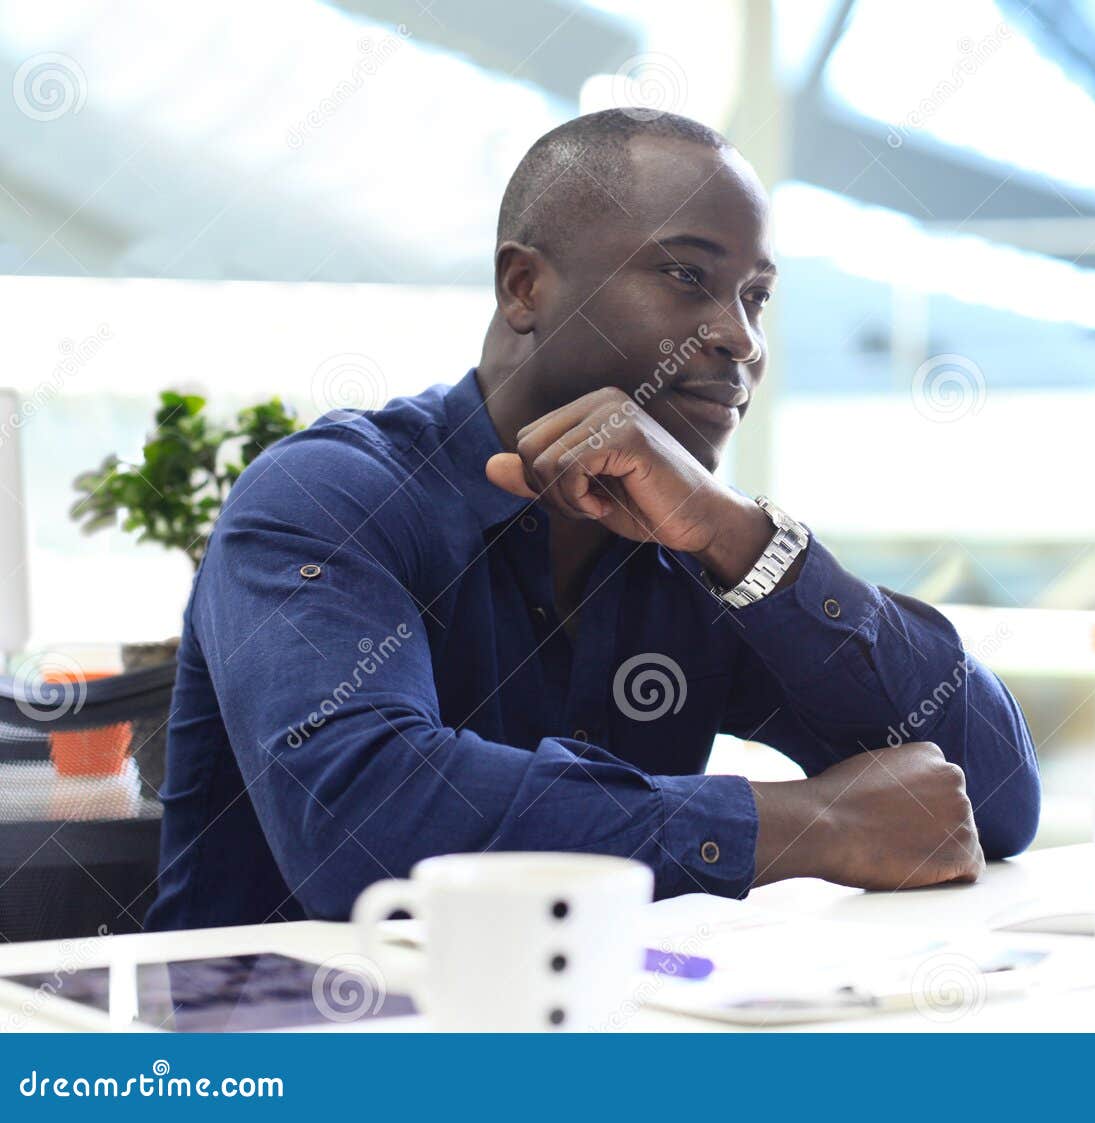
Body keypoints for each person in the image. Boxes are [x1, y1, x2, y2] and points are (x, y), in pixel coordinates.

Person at [146, 109, 1039, 930]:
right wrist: (810, 824)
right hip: (282, 1032)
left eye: (756, 295)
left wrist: (739, 538)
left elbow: (988, 797)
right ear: (524, 286)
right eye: (687, 276)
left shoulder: (693, 543)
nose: (741, 337)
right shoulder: (326, 497)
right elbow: (366, 823)